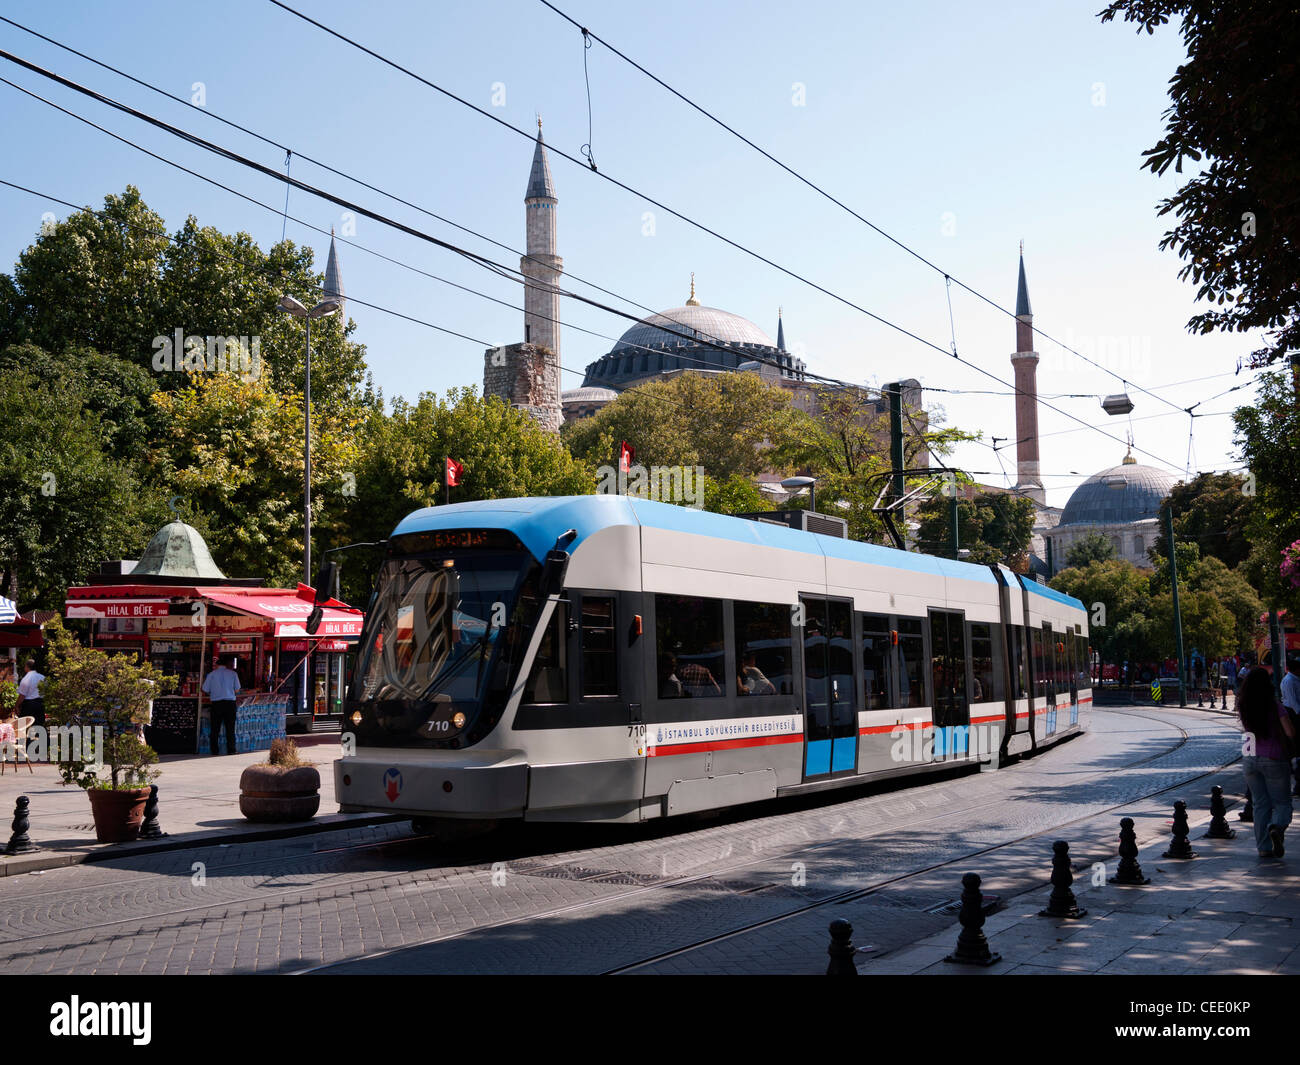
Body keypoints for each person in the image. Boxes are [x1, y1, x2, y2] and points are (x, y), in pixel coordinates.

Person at [1238, 665, 1296, 859]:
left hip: (1249, 759)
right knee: (1282, 803)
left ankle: (1263, 848)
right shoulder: (1274, 705)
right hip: (1273, 757)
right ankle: (1276, 827)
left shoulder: (1243, 704)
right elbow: (1289, 732)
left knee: (1260, 804)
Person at [202, 656, 242, 755]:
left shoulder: (211, 675)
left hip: (216, 703)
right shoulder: (233, 674)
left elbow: (205, 689)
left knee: (215, 728)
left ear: (217, 665)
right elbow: (237, 689)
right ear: (227, 664)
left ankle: (214, 750)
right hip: (230, 703)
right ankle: (231, 750)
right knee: (230, 728)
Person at [15, 658, 45, 732]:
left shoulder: (26, 678)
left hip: (29, 706)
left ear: (26, 667)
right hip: (40, 704)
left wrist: (16, 706)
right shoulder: (42, 677)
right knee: (39, 726)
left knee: (25, 727)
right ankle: (41, 742)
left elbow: (22, 695)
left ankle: (27, 742)